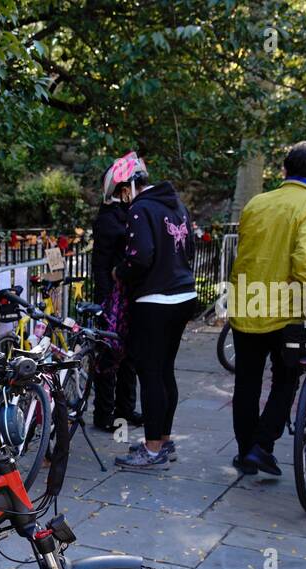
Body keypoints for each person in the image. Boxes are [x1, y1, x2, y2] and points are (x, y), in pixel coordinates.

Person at [227, 141, 306, 476]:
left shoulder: (257, 202)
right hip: (288, 311)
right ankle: (261, 446)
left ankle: (245, 452)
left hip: (247, 303)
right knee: (286, 379)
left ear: (283, 170)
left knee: (246, 383)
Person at [111, 156, 197, 469]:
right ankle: (163, 439)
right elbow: (189, 250)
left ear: (130, 186)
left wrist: (120, 272)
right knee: (165, 370)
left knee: (149, 374)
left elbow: (140, 257)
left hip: (155, 300)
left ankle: (151, 449)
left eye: (122, 192)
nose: (123, 198)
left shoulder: (141, 209)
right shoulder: (177, 205)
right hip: (184, 294)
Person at [89, 154, 141, 432]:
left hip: (129, 297)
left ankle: (125, 410)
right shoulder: (109, 220)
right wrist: (104, 303)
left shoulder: (131, 214)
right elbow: (100, 265)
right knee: (109, 357)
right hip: (113, 301)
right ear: (121, 189)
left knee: (129, 356)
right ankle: (104, 414)